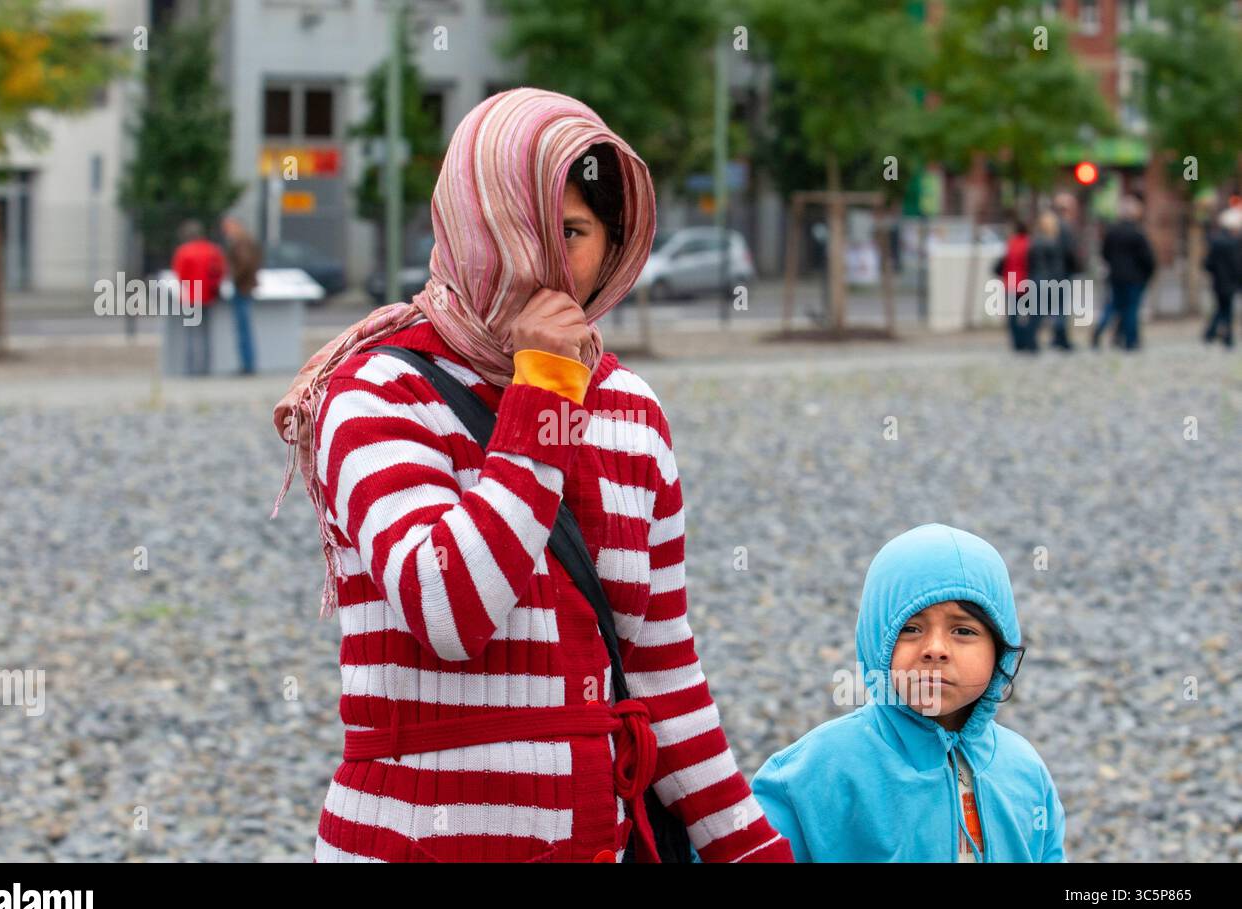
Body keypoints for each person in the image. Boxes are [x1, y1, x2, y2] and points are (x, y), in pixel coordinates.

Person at [268, 87, 794, 864]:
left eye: (576, 232)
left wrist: (749, 850)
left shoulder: (631, 412)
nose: (550, 260)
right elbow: (448, 606)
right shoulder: (378, 393)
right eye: (524, 230)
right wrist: (542, 392)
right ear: (474, 228)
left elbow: (664, 674)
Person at [751, 523, 1066, 862]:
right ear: (875, 642)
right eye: (911, 628)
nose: (935, 649)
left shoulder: (1024, 769)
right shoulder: (809, 776)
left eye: (963, 630)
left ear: (999, 649)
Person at [1093, 195, 1156, 350]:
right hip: (1135, 277)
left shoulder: (1112, 232)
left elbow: (1104, 253)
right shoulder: (1137, 234)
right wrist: (1147, 274)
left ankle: (1099, 331)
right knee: (1131, 309)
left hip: (1116, 276)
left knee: (1113, 306)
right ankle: (1131, 340)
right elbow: (1148, 258)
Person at [170, 220, 225, 375]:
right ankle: (206, 367)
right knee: (206, 334)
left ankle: (191, 368)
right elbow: (220, 271)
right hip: (209, 295)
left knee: (191, 334)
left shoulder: (183, 251)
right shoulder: (213, 249)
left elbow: (180, 275)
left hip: (191, 297)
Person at [221, 217, 261, 374]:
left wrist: (234, 277)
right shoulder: (247, 240)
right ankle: (248, 363)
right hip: (247, 286)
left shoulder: (240, 242)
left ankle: (247, 365)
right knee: (244, 328)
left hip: (242, 287)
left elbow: (244, 263)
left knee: (243, 329)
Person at [1029, 210, 1073, 350]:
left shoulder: (1035, 241)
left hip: (1039, 279)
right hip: (1056, 279)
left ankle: (1031, 340)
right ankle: (1061, 339)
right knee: (1059, 311)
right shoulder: (1056, 242)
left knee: (1038, 312)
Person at [1202, 206, 1241, 349]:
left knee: (1221, 308)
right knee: (1227, 310)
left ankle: (1210, 333)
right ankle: (1227, 338)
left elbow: (1208, 263)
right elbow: (1237, 265)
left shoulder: (1216, 241)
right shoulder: (1235, 243)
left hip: (1218, 281)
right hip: (1230, 281)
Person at [997, 218, 1033, 351]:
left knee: (1013, 315)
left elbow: (1004, 262)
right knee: (1027, 314)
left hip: (1010, 282)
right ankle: (1026, 339)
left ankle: (1016, 342)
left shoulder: (1010, 244)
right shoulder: (1028, 244)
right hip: (1025, 282)